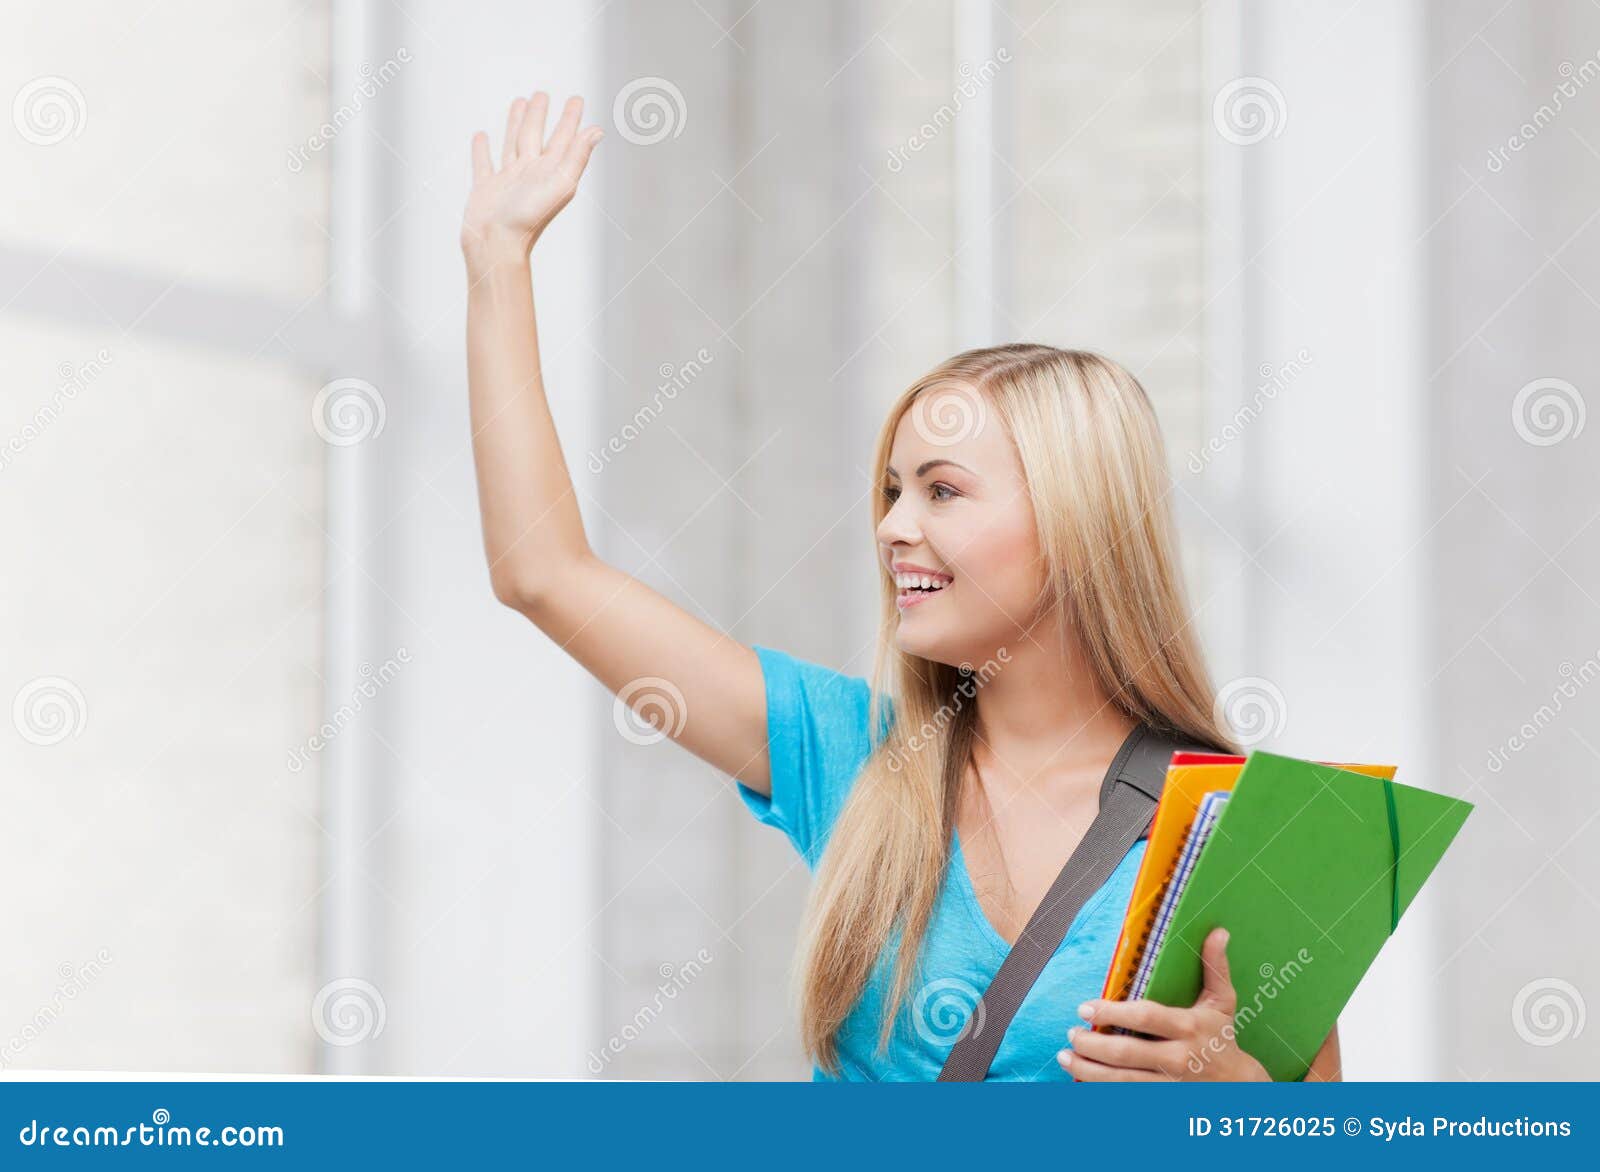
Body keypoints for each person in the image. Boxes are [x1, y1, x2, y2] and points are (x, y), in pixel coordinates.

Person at [458, 89, 1341, 1083]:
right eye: (890, 490)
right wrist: (497, 261)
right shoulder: (856, 761)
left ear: (1077, 524)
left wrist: (1238, 1095)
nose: (890, 527)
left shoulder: (1245, 830)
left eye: (941, 490)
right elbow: (541, 571)